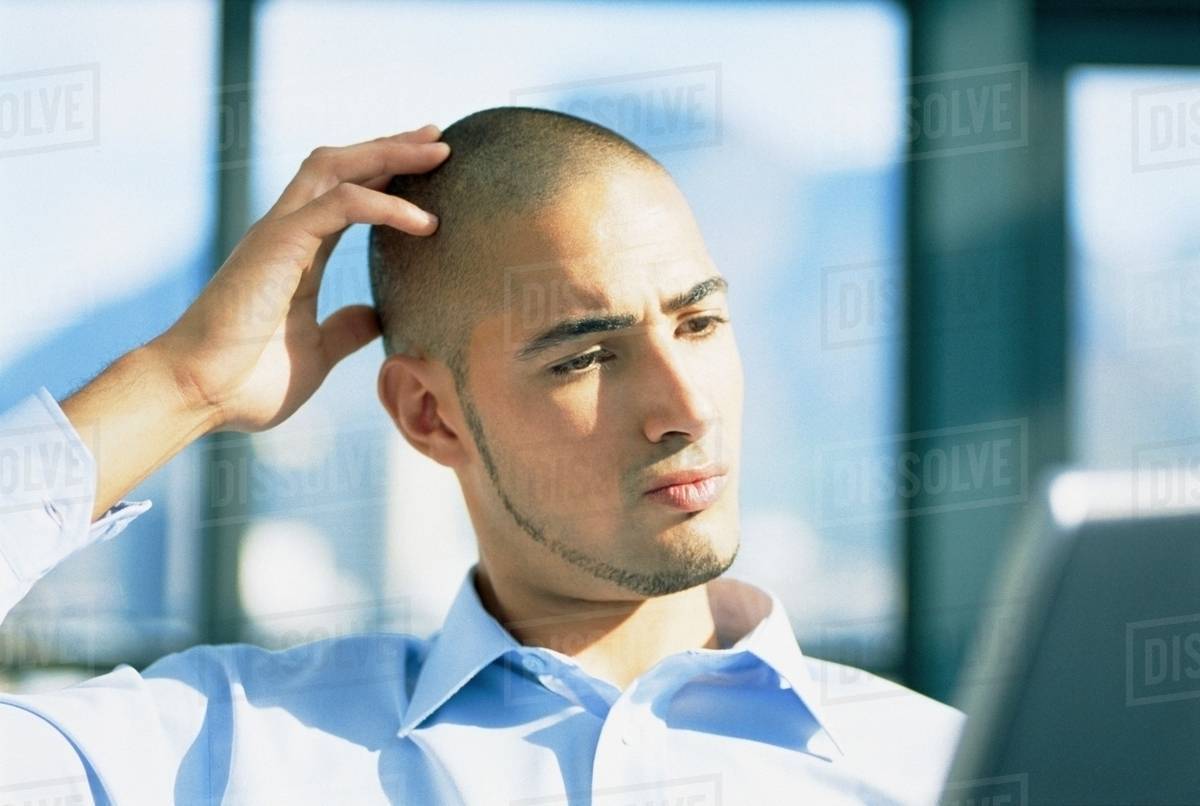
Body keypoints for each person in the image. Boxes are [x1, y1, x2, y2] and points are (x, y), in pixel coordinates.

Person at [0, 108, 963, 805]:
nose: (687, 407)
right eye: (586, 355)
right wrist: (179, 385)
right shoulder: (225, 749)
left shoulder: (946, 769)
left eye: (700, 321)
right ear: (430, 416)